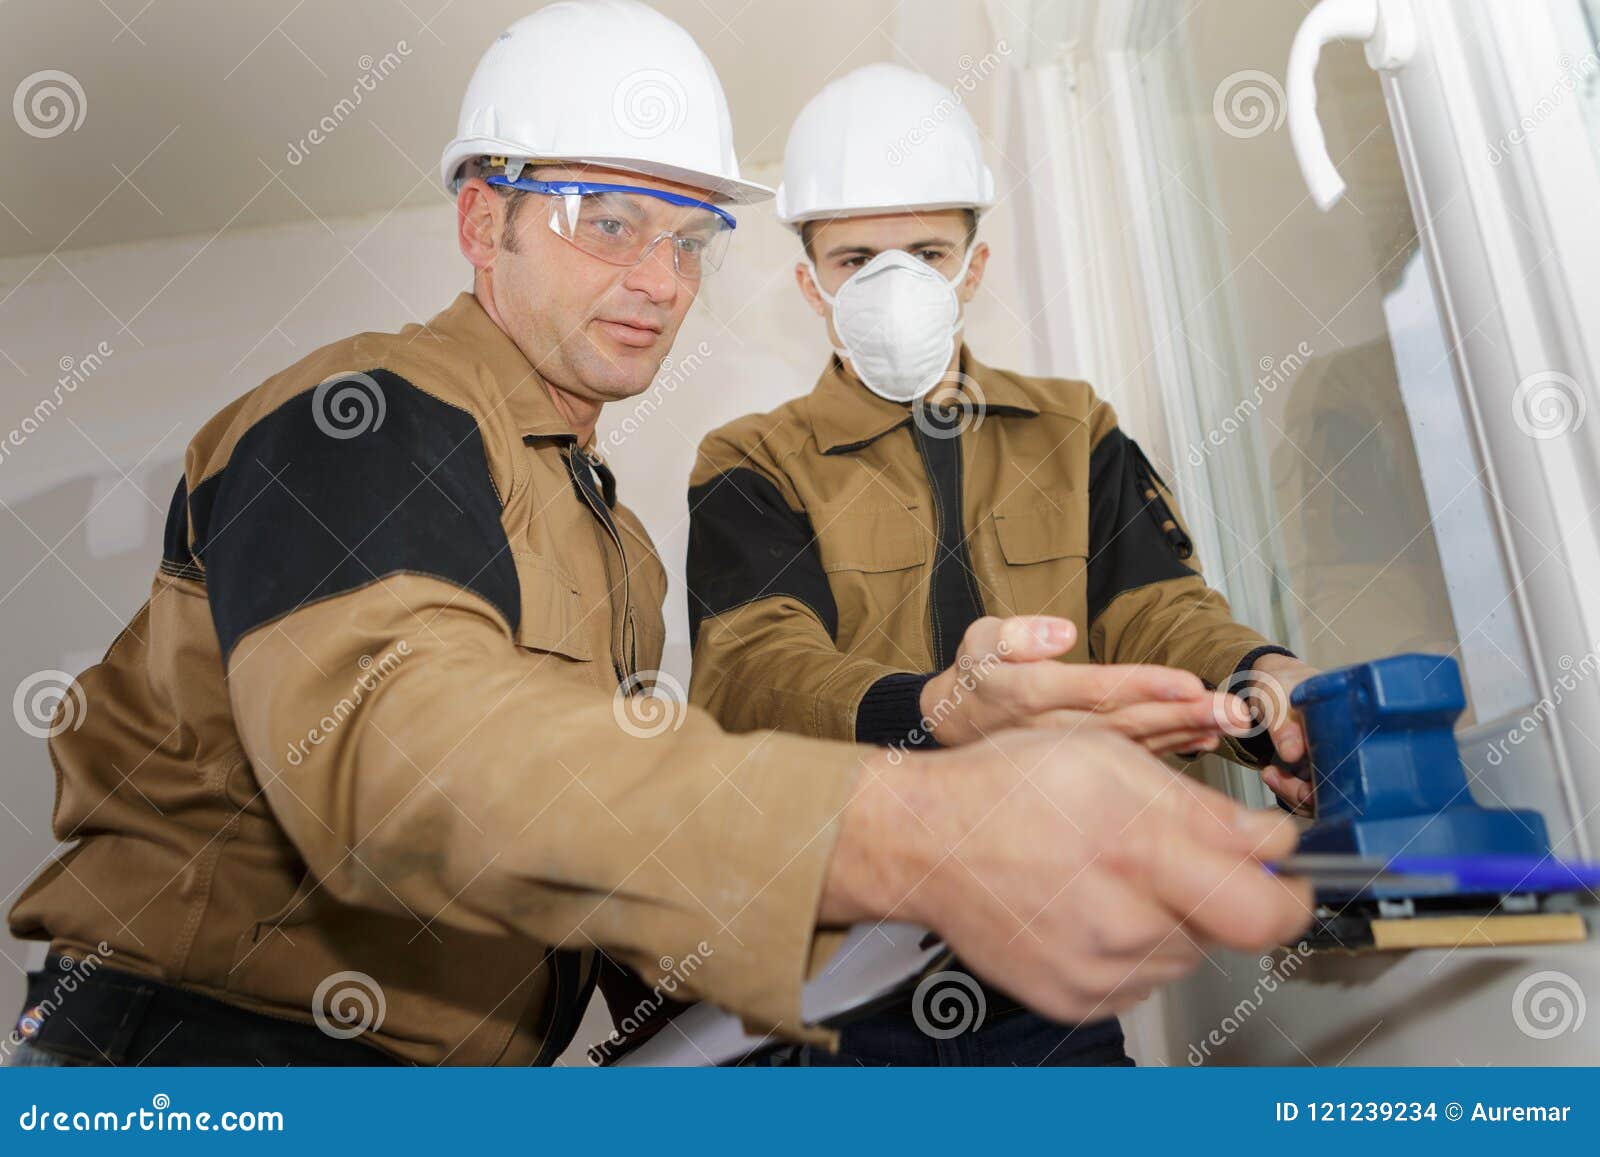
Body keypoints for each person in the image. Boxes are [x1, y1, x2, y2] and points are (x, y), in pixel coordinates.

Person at [4, 5, 1310, 1068]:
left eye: (690, 236)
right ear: (481, 222)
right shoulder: (363, 415)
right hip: (209, 1053)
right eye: (605, 219)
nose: (661, 279)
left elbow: (566, 837)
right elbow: (405, 758)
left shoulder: (607, 535)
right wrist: (922, 828)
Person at [684, 63, 1321, 1067]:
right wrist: (935, 701)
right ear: (810, 283)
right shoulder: (752, 460)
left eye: (927, 250)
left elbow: (1159, 613)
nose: (895, 285)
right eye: (856, 257)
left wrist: (1266, 684)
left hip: (1043, 949)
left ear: (973, 267)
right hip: (830, 974)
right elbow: (755, 674)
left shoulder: (1075, 430)